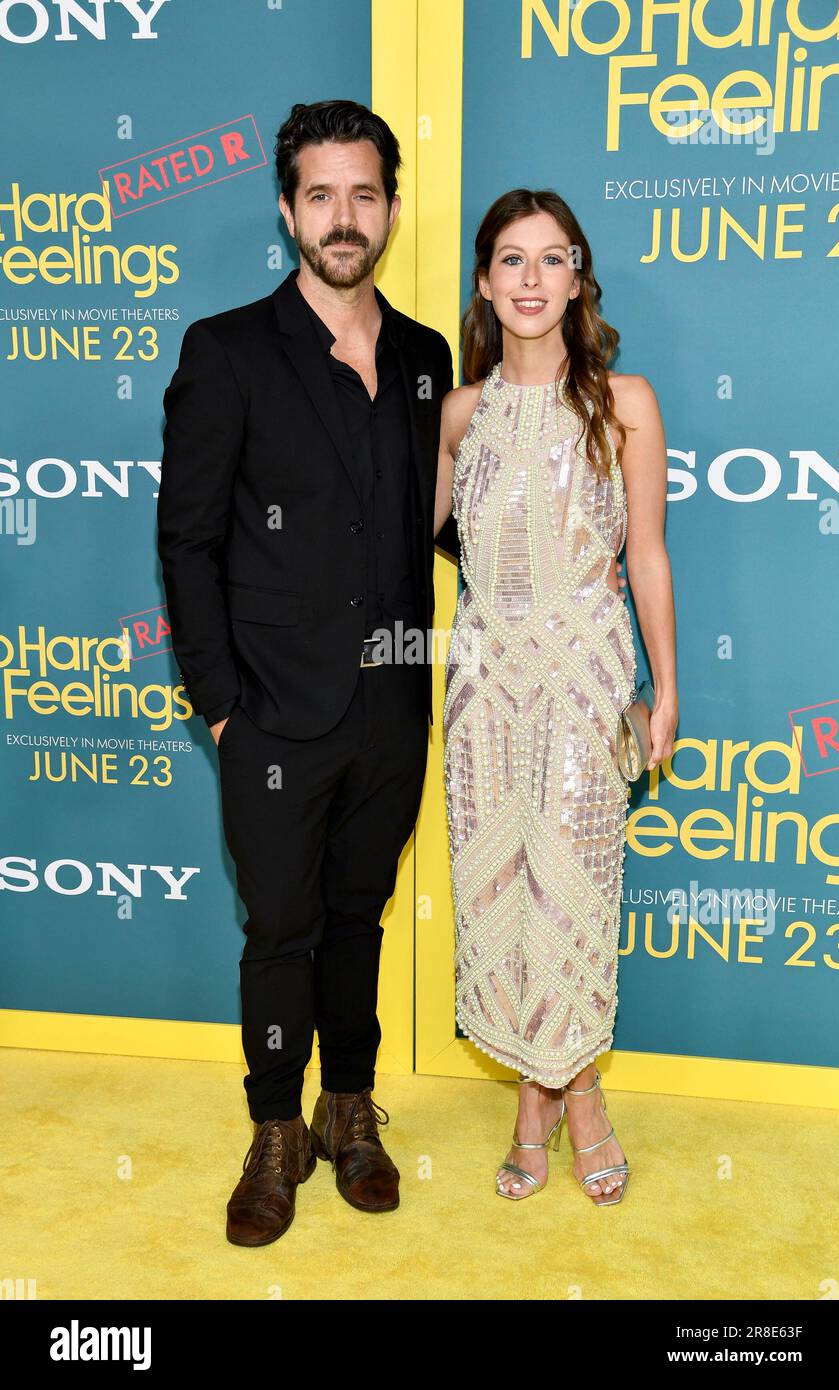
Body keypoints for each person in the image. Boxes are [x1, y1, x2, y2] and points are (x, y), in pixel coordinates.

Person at [157, 99, 460, 1245]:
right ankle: (276, 1129)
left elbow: (445, 525)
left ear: (390, 207)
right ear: (288, 208)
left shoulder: (430, 358)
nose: (345, 216)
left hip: (392, 699)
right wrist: (223, 711)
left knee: (358, 918)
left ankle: (350, 1112)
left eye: (365, 193)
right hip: (274, 714)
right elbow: (186, 539)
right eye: (322, 194)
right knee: (278, 930)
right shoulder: (228, 350)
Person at [435, 189, 678, 1205]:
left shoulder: (627, 401)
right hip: (485, 687)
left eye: (551, 259)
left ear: (578, 277)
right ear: (485, 282)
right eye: (509, 260)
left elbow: (650, 555)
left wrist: (666, 686)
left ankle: (573, 1102)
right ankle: (544, 1102)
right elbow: (423, 550)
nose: (530, 279)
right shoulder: (457, 413)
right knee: (497, 898)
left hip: (586, 684)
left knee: (573, 894)